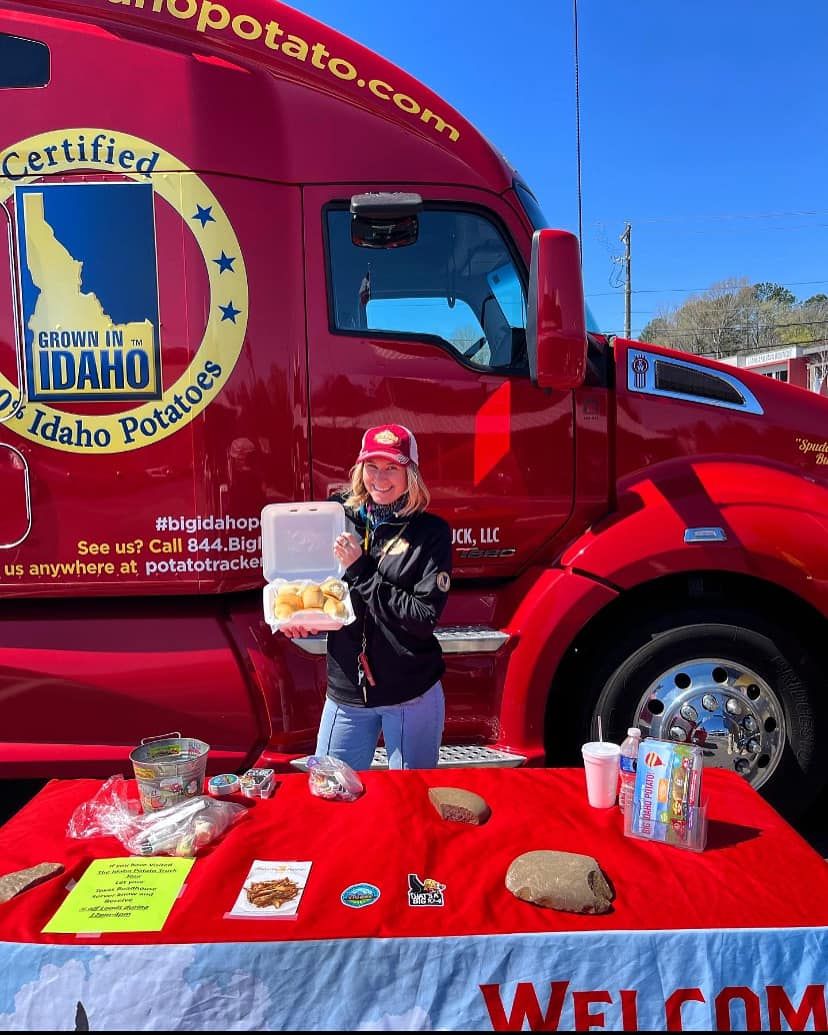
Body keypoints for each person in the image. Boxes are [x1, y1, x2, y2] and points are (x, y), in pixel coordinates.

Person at [281, 424, 452, 770]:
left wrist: (360, 569)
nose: (380, 478)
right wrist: (298, 616)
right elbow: (313, 581)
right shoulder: (336, 515)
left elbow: (421, 618)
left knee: (408, 802)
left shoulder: (431, 532)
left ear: (411, 473)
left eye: (392, 467)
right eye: (372, 466)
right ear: (360, 469)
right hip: (346, 691)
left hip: (410, 693)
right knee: (332, 792)